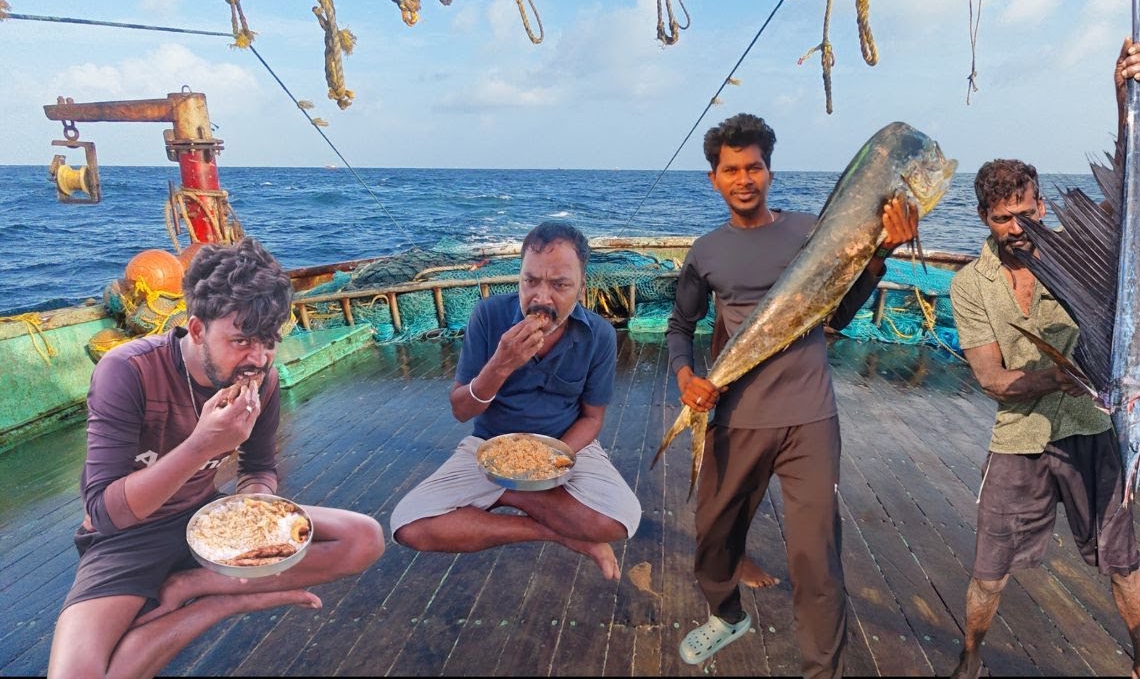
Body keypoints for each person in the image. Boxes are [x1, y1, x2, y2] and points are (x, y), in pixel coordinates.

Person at [48, 238, 385, 679]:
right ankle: (223, 603)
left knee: (365, 538)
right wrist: (200, 447)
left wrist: (253, 512)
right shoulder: (127, 371)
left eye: (269, 342)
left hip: (206, 519)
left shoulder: (263, 381)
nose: (257, 359)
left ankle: (197, 584)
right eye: (241, 341)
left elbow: (258, 468)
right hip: (126, 539)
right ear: (197, 329)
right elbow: (104, 514)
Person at [666, 113, 920, 679]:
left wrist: (881, 255)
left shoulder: (813, 231)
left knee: (816, 563)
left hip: (809, 419)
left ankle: (820, 672)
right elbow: (679, 329)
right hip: (735, 419)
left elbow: (841, 314)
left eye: (753, 166)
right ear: (714, 179)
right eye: (730, 169)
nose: (743, 178)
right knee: (712, 543)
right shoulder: (705, 253)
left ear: (769, 172)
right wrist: (687, 380)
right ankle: (727, 615)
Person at [947, 39, 1140, 679]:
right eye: (1005, 217)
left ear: (1042, 206)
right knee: (989, 570)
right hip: (1020, 438)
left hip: (1098, 431)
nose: (1020, 226)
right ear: (986, 217)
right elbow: (992, 380)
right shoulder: (969, 285)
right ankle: (971, 657)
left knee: (1123, 560)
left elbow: (1135, 215)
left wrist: (1128, 91)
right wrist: (1056, 375)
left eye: (1029, 211)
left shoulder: (1082, 265)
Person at [390, 221, 641, 581]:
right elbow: (461, 410)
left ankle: (509, 495)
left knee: (620, 521)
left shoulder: (598, 335)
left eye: (560, 285)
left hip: (565, 447)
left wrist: (546, 463)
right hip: (488, 448)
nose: (541, 298)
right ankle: (557, 532)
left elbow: (592, 418)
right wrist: (501, 363)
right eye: (531, 281)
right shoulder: (488, 317)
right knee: (408, 525)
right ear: (519, 278)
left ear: (582, 288)